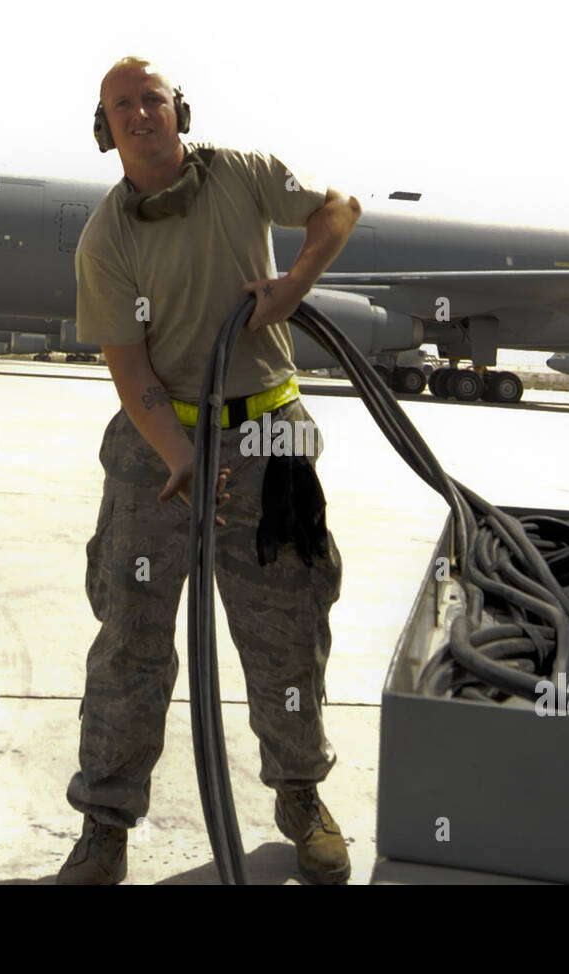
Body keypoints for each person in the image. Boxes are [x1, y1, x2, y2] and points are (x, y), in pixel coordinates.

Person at [58, 56, 362, 885]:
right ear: (105, 129)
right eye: (122, 107)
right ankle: (106, 827)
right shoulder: (107, 237)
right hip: (159, 449)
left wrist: (297, 281)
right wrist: (183, 460)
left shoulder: (242, 174)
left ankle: (302, 798)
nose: (140, 114)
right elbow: (132, 372)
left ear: (177, 109)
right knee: (131, 640)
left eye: (152, 99)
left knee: (288, 632)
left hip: (270, 437)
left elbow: (339, 208)